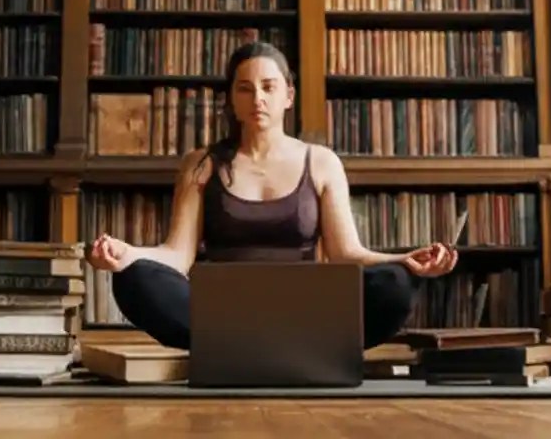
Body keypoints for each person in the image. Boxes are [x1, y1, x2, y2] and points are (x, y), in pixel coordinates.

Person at [87, 40, 458, 351]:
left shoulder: (321, 162)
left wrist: (406, 260)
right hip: (223, 314)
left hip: (306, 312)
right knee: (133, 279)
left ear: (288, 96)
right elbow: (176, 256)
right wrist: (126, 254)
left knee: (394, 284)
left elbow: (348, 255)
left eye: (269, 87)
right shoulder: (201, 163)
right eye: (245, 88)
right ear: (231, 98)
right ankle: (259, 346)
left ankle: (257, 347)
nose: (257, 98)